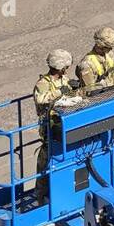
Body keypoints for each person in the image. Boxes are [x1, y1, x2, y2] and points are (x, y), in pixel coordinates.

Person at [33, 49, 75, 191]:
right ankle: (41, 192)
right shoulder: (43, 83)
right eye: (65, 67)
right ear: (60, 66)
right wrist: (60, 92)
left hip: (64, 122)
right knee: (45, 164)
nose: (67, 70)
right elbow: (41, 99)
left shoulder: (64, 79)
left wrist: (73, 89)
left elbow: (68, 93)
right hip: (50, 127)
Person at [76, 26, 114, 93]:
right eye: (108, 48)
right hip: (97, 97)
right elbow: (91, 89)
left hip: (110, 91)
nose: (111, 49)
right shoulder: (86, 64)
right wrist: (109, 83)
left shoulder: (109, 54)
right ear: (100, 46)